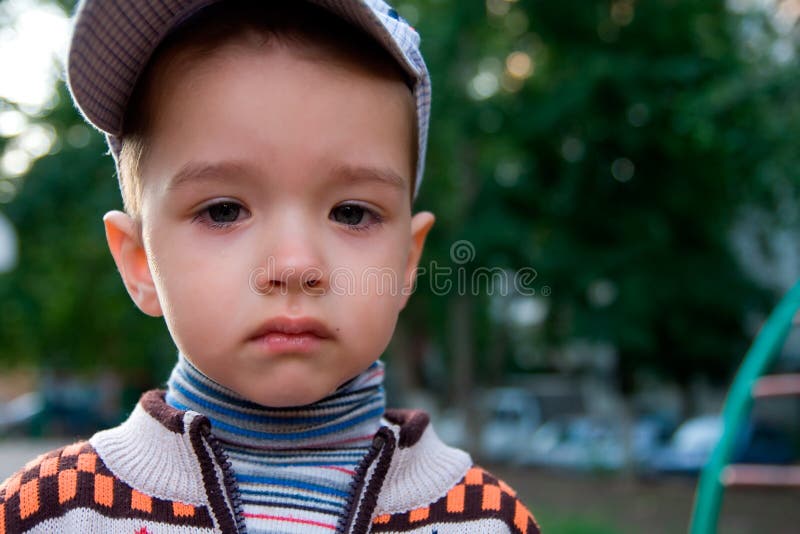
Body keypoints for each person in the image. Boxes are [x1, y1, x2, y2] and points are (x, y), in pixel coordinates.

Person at [0, 1, 540, 532]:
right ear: (140, 261)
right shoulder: (53, 512)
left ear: (406, 261)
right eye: (224, 211)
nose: (295, 265)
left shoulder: (484, 518)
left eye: (351, 212)